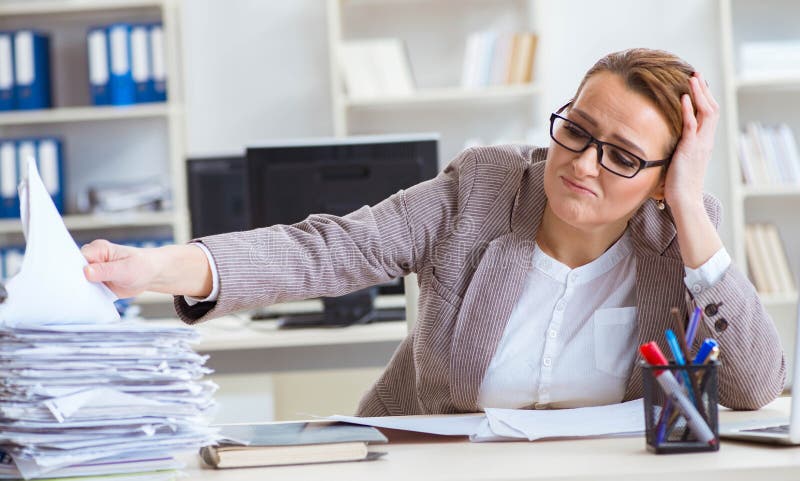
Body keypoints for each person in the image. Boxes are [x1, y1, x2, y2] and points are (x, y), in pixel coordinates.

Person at [81, 48, 785, 416]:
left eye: (623, 156)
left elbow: (757, 388)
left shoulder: (681, 237)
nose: (582, 163)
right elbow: (328, 249)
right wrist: (159, 267)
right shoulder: (480, 190)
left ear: (662, 179)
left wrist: (689, 206)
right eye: (576, 130)